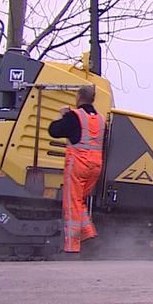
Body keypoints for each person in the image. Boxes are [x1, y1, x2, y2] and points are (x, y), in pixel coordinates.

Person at [49, 85, 105, 253]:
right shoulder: (100, 119)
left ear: (79, 97)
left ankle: (72, 248)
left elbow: (54, 130)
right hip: (95, 166)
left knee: (72, 204)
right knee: (79, 201)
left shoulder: (75, 116)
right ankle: (89, 235)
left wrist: (64, 115)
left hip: (78, 164)